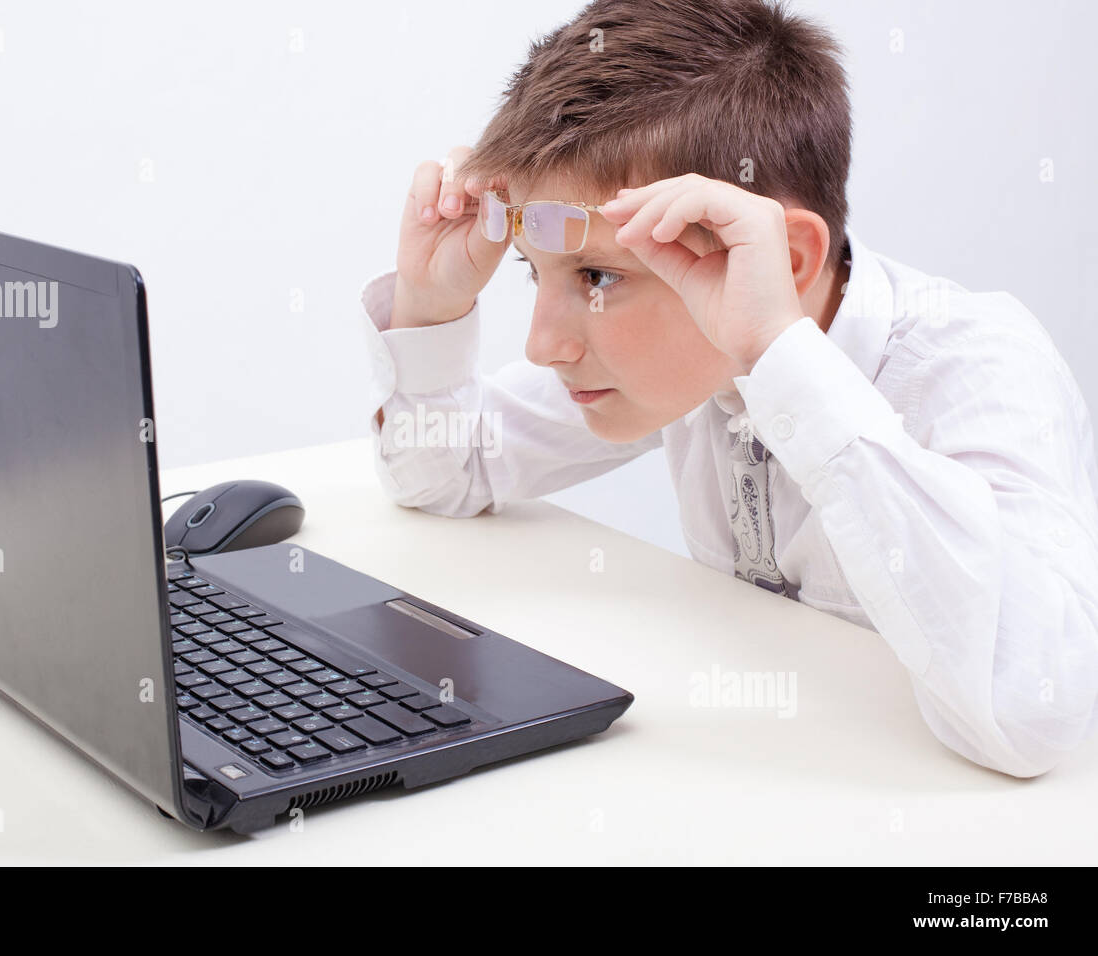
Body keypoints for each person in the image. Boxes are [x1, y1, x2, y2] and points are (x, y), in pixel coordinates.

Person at [357, 0, 1098, 778]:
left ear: (785, 259)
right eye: (532, 272)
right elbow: (444, 473)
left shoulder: (977, 366)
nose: (543, 345)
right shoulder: (685, 367)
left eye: (599, 276)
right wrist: (432, 306)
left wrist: (780, 356)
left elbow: (1032, 716)